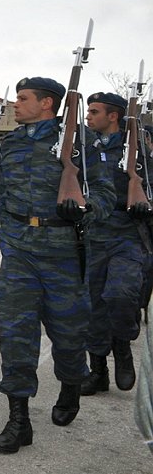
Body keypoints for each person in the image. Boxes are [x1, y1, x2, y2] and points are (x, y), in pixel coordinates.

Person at [0, 77, 115, 454]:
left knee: (69, 334)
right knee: (15, 333)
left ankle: (71, 383)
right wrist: (7, 235)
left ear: (47, 104)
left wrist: (85, 208)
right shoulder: (11, 143)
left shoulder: (81, 143)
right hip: (19, 253)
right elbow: (1, 193)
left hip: (64, 253)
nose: (15, 103)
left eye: (22, 98)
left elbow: (107, 193)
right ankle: (19, 419)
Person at [79, 92, 148, 396]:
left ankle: (122, 346)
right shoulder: (84, 149)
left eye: (94, 112)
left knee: (121, 295)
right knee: (93, 304)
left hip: (127, 234)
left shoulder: (138, 151)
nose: (89, 116)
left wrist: (143, 199)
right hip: (93, 233)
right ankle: (98, 371)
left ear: (113, 116)